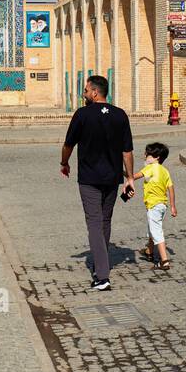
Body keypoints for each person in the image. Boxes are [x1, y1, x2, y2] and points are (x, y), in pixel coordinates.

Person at [60, 74, 135, 291]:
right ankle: (100, 263)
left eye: (85, 91)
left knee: (94, 222)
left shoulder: (82, 115)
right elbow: (127, 151)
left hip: (89, 179)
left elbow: (68, 144)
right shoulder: (120, 115)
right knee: (104, 220)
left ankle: (102, 276)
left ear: (94, 92)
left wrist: (64, 162)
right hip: (112, 178)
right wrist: (129, 178)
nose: (84, 94)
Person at [133, 141, 177, 270]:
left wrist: (123, 172)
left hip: (153, 205)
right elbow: (171, 188)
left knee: (156, 231)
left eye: (147, 154)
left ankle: (164, 261)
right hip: (162, 205)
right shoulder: (165, 171)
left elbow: (134, 176)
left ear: (156, 157)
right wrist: (173, 206)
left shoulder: (151, 167)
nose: (145, 156)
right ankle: (149, 252)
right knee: (152, 228)